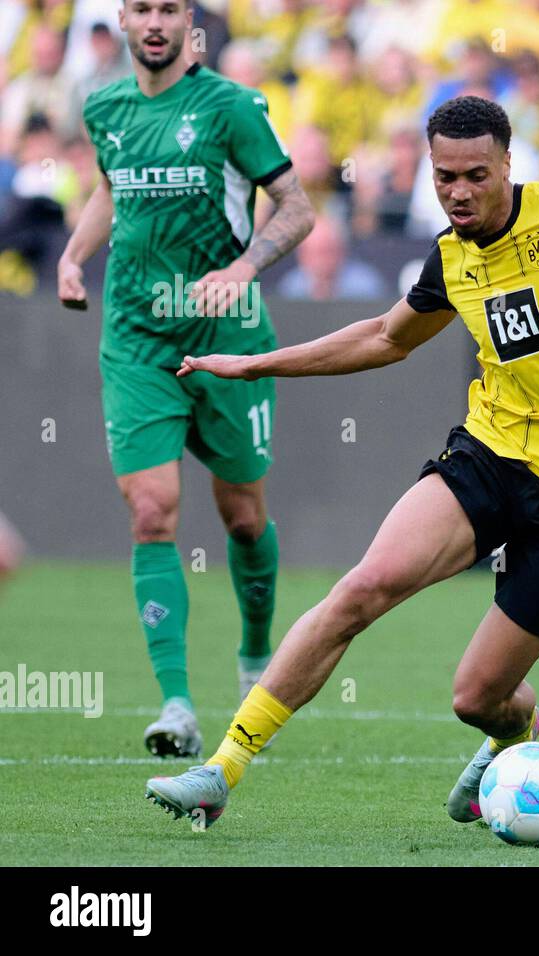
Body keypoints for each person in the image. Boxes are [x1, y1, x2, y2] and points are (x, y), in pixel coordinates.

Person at [142, 95, 539, 828]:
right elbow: (386, 338)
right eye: (443, 177)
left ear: (509, 164)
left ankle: (515, 732)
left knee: (475, 699)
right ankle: (221, 770)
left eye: (476, 175)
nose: (458, 192)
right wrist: (259, 366)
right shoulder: (450, 257)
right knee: (361, 589)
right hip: (492, 453)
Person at [56, 0, 314, 757]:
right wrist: (74, 257)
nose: (156, 21)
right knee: (152, 509)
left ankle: (257, 658)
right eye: (142, 9)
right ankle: (176, 705)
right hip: (136, 335)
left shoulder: (231, 107)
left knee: (241, 515)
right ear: (125, 21)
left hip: (228, 341)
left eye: (170, 7)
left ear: (189, 24)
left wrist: (242, 268)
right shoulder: (102, 107)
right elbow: (112, 191)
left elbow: (296, 208)